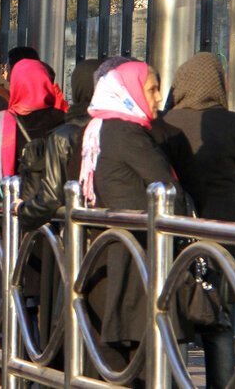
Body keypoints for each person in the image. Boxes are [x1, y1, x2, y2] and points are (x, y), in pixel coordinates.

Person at [79, 57, 184, 378]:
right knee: (144, 360)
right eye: (151, 89)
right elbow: (168, 188)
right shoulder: (127, 132)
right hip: (138, 257)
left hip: (115, 253)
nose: (157, 98)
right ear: (129, 90)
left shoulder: (101, 126)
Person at [0, 59, 67, 388]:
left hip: (1, 226)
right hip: (50, 230)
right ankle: (39, 374)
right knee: (40, 305)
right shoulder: (64, 123)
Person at [161, 52, 235, 389]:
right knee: (219, 321)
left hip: (176, 231)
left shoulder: (166, 124)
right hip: (226, 232)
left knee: (174, 317)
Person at [17, 58, 101, 230]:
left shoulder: (64, 133)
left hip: (71, 233)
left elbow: (51, 197)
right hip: (111, 231)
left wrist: (22, 212)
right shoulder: (116, 128)